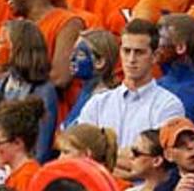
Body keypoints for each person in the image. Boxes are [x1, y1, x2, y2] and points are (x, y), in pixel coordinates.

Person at [72, 18, 183, 155]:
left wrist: (105, 157)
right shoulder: (97, 104)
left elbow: (153, 159)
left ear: (155, 56)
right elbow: (79, 152)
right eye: (126, 51)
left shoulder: (169, 105)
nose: (131, 59)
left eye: (139, 52)